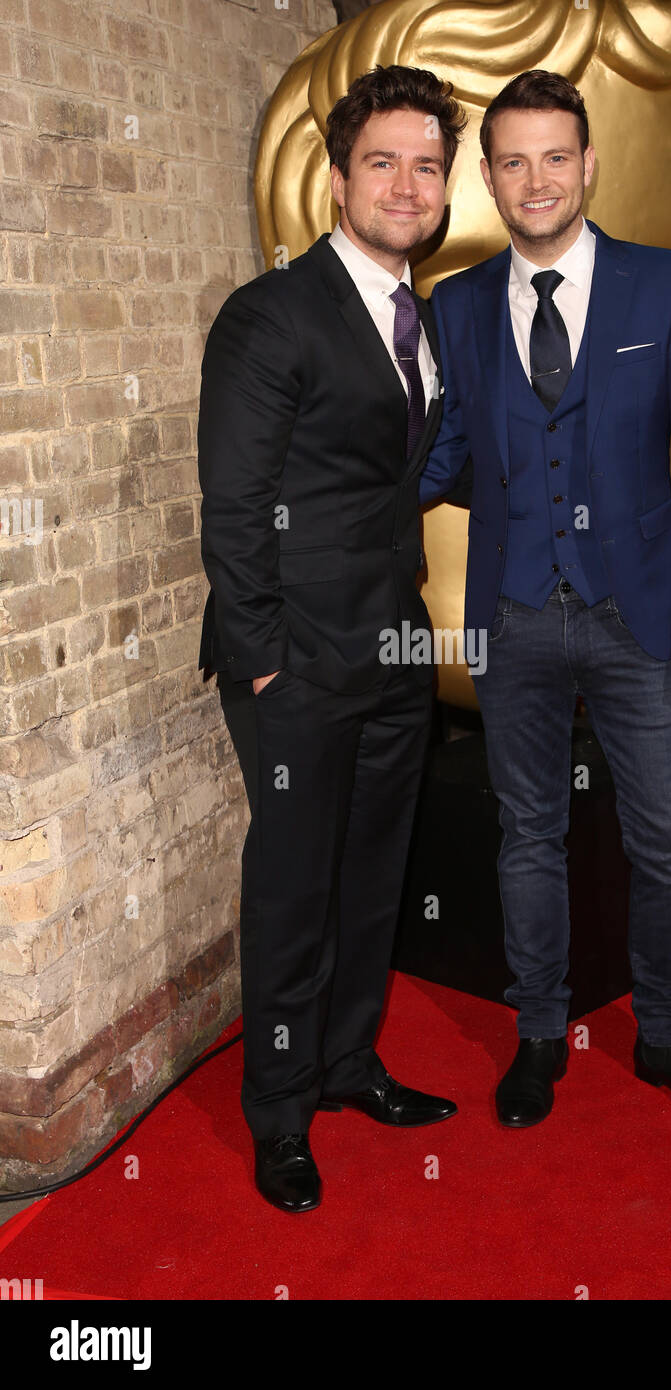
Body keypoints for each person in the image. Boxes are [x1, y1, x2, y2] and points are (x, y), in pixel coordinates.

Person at [420, 70, 671, 1130]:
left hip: (638, 607)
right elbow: (447, 453)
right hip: (513, 613)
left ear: (587, 163)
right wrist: (334, 501)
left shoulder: (665, 285)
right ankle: (534, 1035)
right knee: (527, 834)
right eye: (511, 161)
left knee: (663, 831)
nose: (535, 180)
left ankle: (664, 1037)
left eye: (554, 157)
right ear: (488, 176)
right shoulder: (458, 303)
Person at [197, 65, 467, 1212]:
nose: (406, 185)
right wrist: (263, 655)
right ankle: (279, 1108)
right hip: (297, 655)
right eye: (383, 162)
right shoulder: (273, 314)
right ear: (338, 176)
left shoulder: (421, 314)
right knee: (294, 884)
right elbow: (232, 499)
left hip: (391, 643)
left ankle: (349, 1062)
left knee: (372, 872)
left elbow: (395, 474)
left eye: (427, 164)